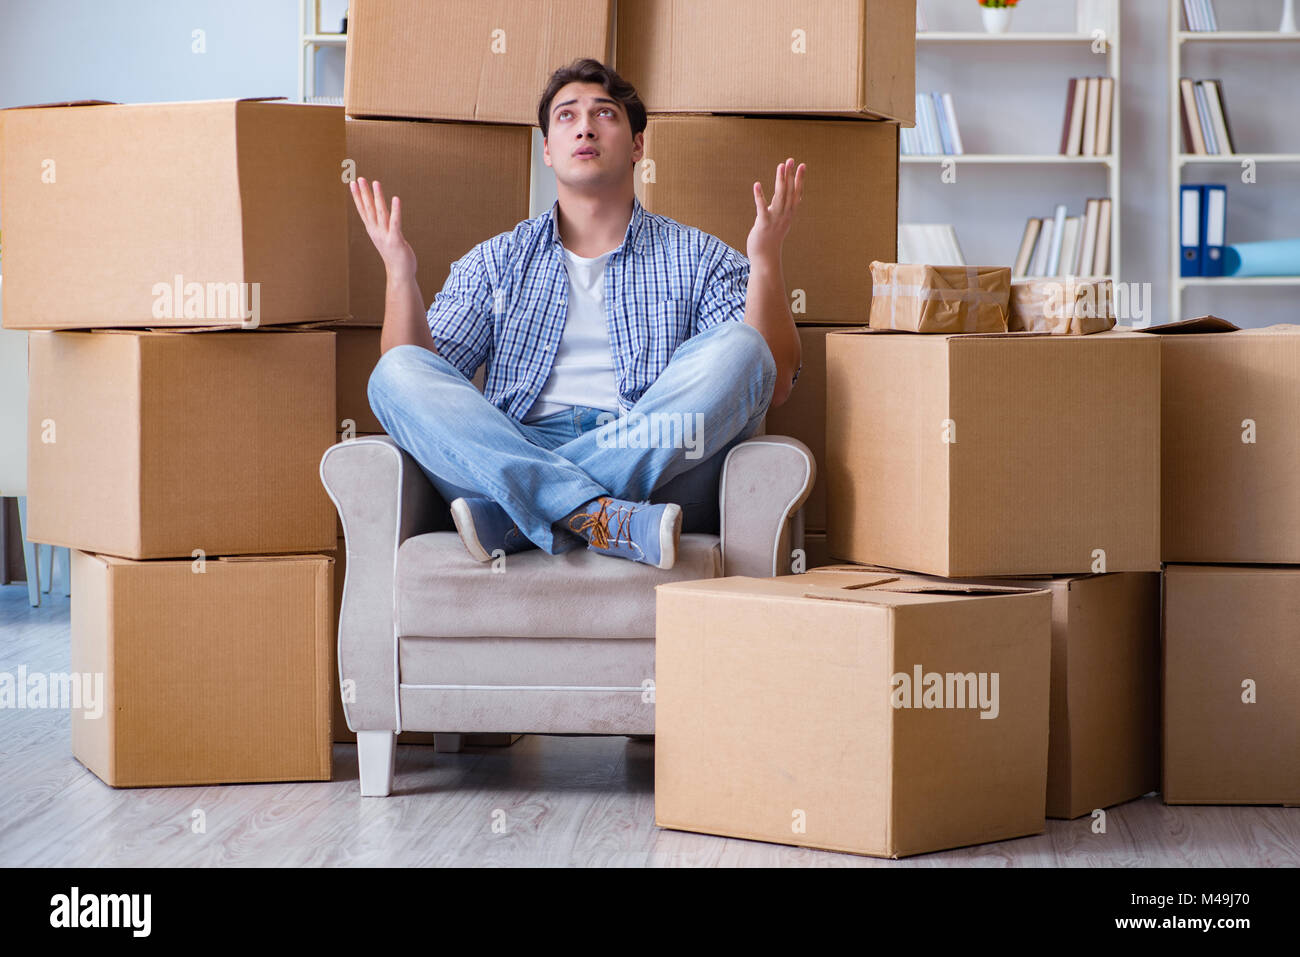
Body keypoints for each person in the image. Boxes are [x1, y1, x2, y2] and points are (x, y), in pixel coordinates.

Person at [354, 58, 805, 571]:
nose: (585, 127)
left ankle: (518, 514)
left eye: (604, 114)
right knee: (394, 371)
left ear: (637, 145)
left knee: (743, 346)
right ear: (547, 149)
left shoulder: (700, 256)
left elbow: (772, 382)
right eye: (566, 115)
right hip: (519, 442)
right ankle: (596, 515)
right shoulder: (495, 261)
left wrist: (765, 260)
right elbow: (423, 378)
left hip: (652, 452)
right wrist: (400, 274)